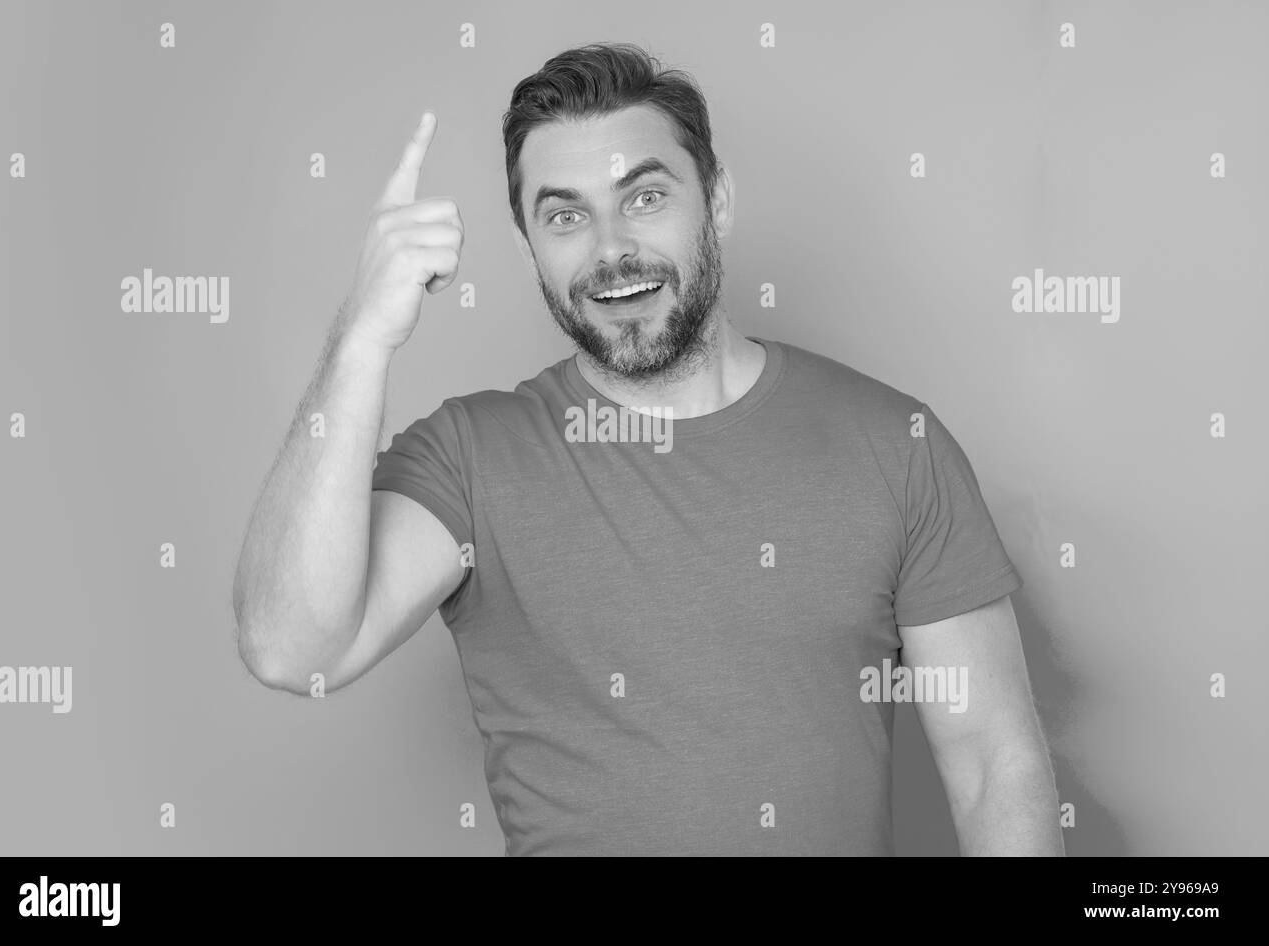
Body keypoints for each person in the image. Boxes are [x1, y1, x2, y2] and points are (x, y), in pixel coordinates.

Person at [233, 42, 1063, 856]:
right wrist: (361, 338)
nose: (609, 250)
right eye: (564, 215)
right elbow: (291, 648)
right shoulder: (470, 459)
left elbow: (996, 766)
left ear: (719, 202)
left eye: (644, 197)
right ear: (527, 247)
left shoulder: (896, 445)